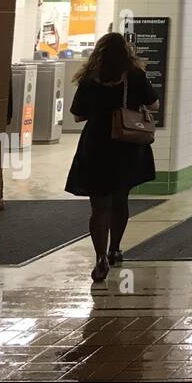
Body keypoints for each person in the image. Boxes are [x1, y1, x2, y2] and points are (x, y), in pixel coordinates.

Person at [65, 32, 160, 282]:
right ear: (125, 52)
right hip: (126, 146)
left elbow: (78, 115)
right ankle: (115, 248)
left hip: (96, 145)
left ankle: (99, 257)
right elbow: (154, 106)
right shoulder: (135, 76)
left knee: (99, 206)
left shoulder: (89, 80)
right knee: (120, 199)